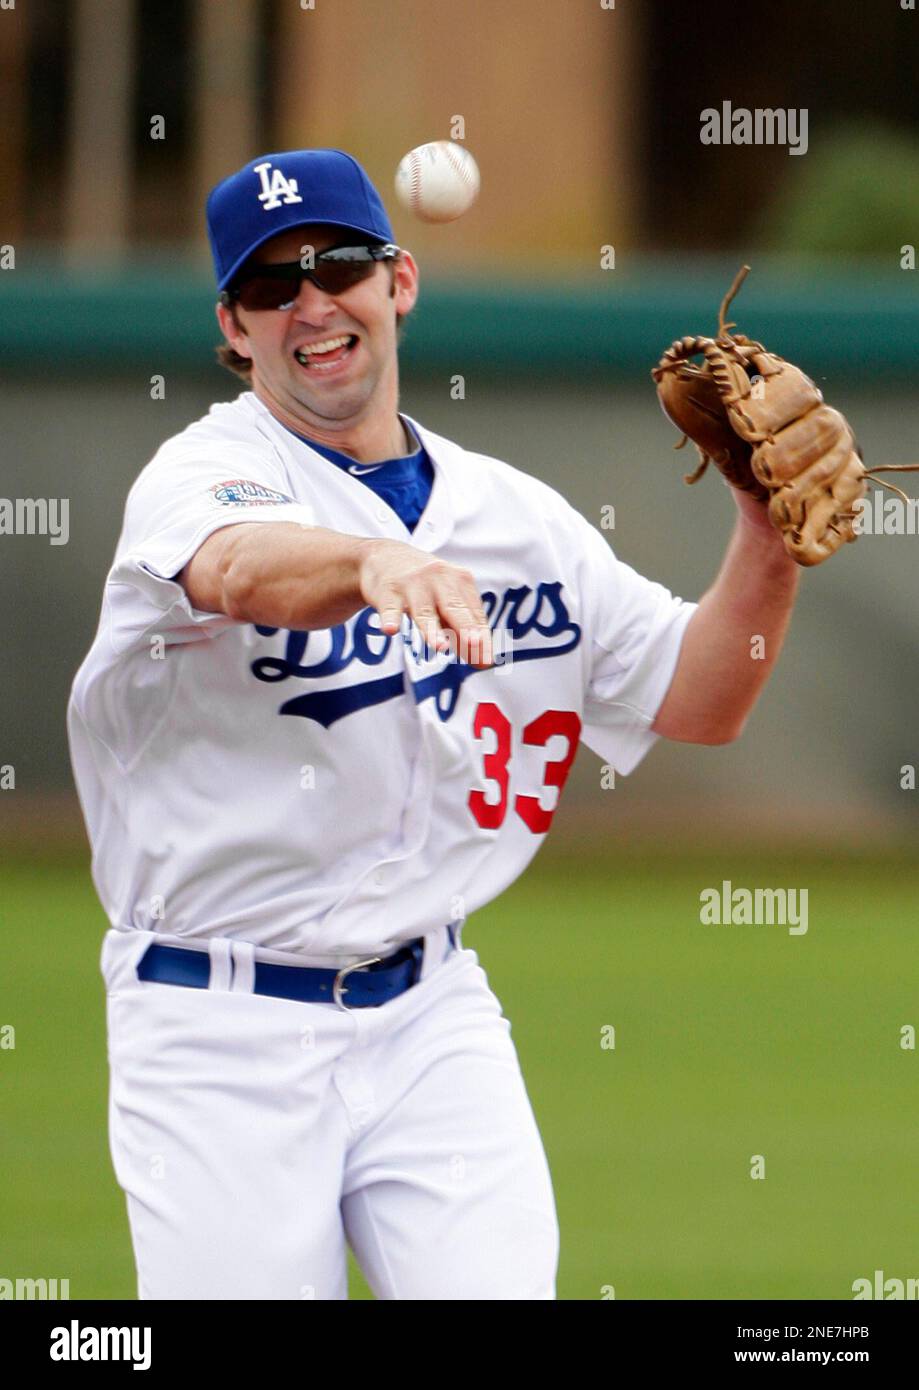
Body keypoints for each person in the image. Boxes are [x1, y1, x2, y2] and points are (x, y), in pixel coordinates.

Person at [67, 149, 800, 1300]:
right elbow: (240, 569)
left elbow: (701, 697)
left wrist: (766, 525)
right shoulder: (201, 472)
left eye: (338, 263)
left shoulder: (520, 521)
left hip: (429, 1013)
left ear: (398, 281)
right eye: (270, 284)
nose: (311, 301)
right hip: (215, 1027)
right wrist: (370, 561)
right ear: (233, 328)